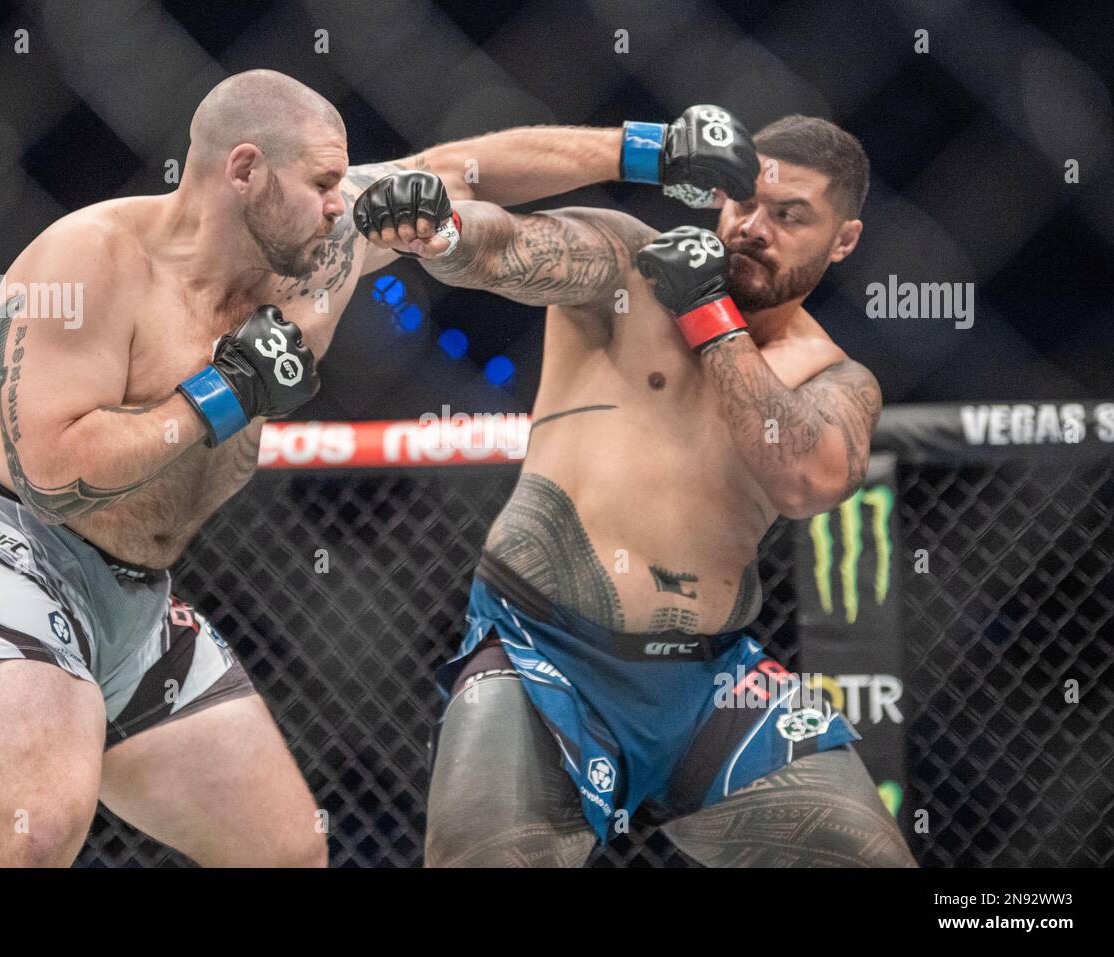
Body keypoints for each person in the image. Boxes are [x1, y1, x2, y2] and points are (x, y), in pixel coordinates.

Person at [0, 67, 747, 866]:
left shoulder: (327, 244)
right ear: (246, 170)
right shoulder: (91, 259)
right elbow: (49, 471)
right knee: (32, 830)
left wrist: (646, 149)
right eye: (325, 185)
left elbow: (463, 168)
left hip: (136, 598)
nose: (346, 205)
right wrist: (215, 396)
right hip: (5, 549)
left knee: (287, 850)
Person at [356, 114, 917, 867]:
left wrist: (711, 320)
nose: (753, 227)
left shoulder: (834, 377)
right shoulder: (630, 264)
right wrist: (445, 233)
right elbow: (510, 250)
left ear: (843, 239)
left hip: (712, 686)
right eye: (745, 202)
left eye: (790, 217)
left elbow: (807, 481)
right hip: (542, 655)